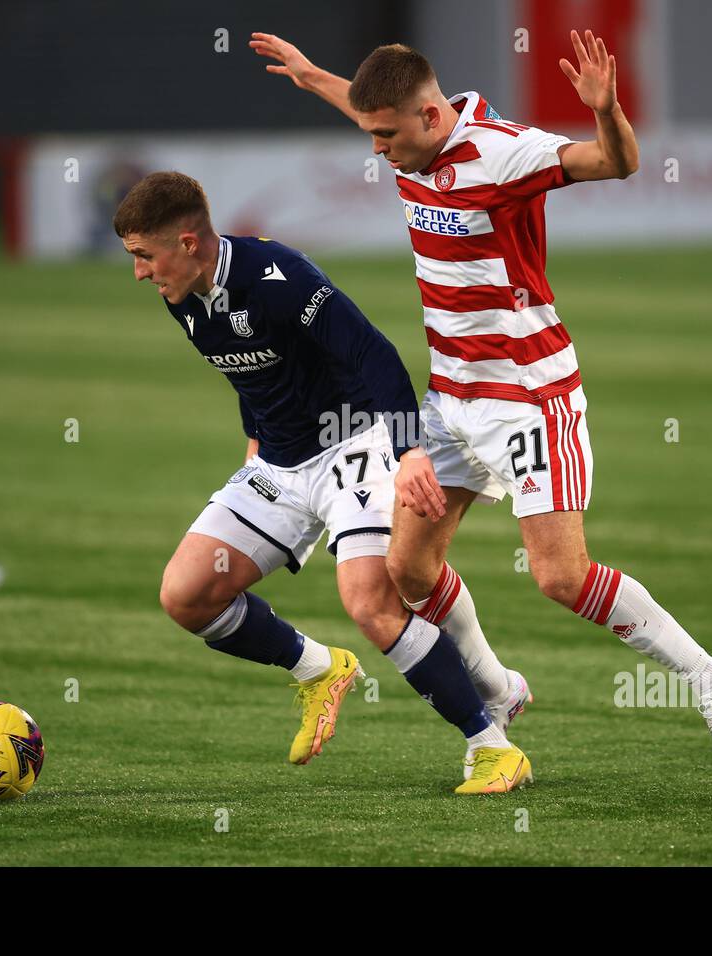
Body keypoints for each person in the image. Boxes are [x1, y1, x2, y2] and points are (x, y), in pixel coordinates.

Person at [250, 29, 712, 778]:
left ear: (429, 117)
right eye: (371, 134)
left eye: (386, 136)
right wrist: (312, 75)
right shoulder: (408, 136)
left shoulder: (504, 152)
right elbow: (369, 110)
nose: (377, 151)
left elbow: (616, 162)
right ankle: (498, 689)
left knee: (560, 576)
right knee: (408, 568)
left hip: (527, 396)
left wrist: (606, 110)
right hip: (450, 399)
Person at [115, 170, 533, 793]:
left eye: (144, 255)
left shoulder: (278, 276)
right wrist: (255, 439)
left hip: (354, 445)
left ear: (188, 242)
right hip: (278, 465)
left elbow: (372, 353)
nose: (139, 272)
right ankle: (318, 669)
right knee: (187, 594)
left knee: (369, 603)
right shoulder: (181, 297)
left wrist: (410, 451)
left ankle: (492, 745)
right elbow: (251, 372)